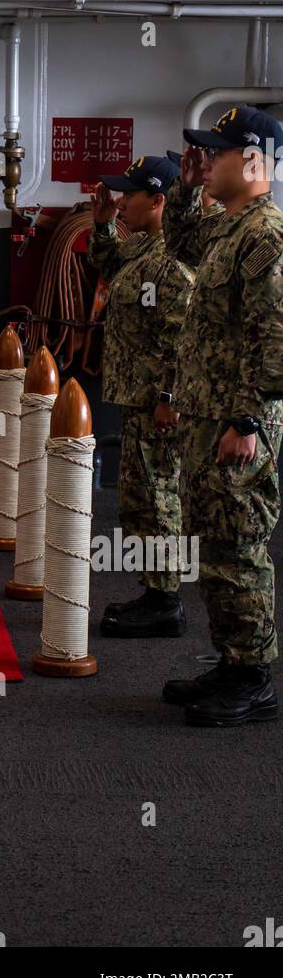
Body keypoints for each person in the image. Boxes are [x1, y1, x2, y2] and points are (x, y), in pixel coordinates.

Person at [161, 105, 283, 726]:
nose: (206, 160)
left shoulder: (267, 236)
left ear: (254, 159)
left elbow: (277, 339)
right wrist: (185, 191)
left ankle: (253, 678)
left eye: (218, 151)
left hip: (238, 418)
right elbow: (181, 243)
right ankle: (232, 661)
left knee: (239, 547)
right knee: (215, 543)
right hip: (212, 415)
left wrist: (249, 421)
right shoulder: (230, 227)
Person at [88, 155, 195, 636]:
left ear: (158, 201)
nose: (121, 200)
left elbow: (182, 338)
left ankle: (166, 601)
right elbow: (109, 263)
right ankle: (155, 592)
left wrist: (170, 397)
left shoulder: (173, 259)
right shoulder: (142, 248)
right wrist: (102, 224)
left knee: (159, 498)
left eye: (130, 194)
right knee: (139, 498)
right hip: (137, 396)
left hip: (157, 403)